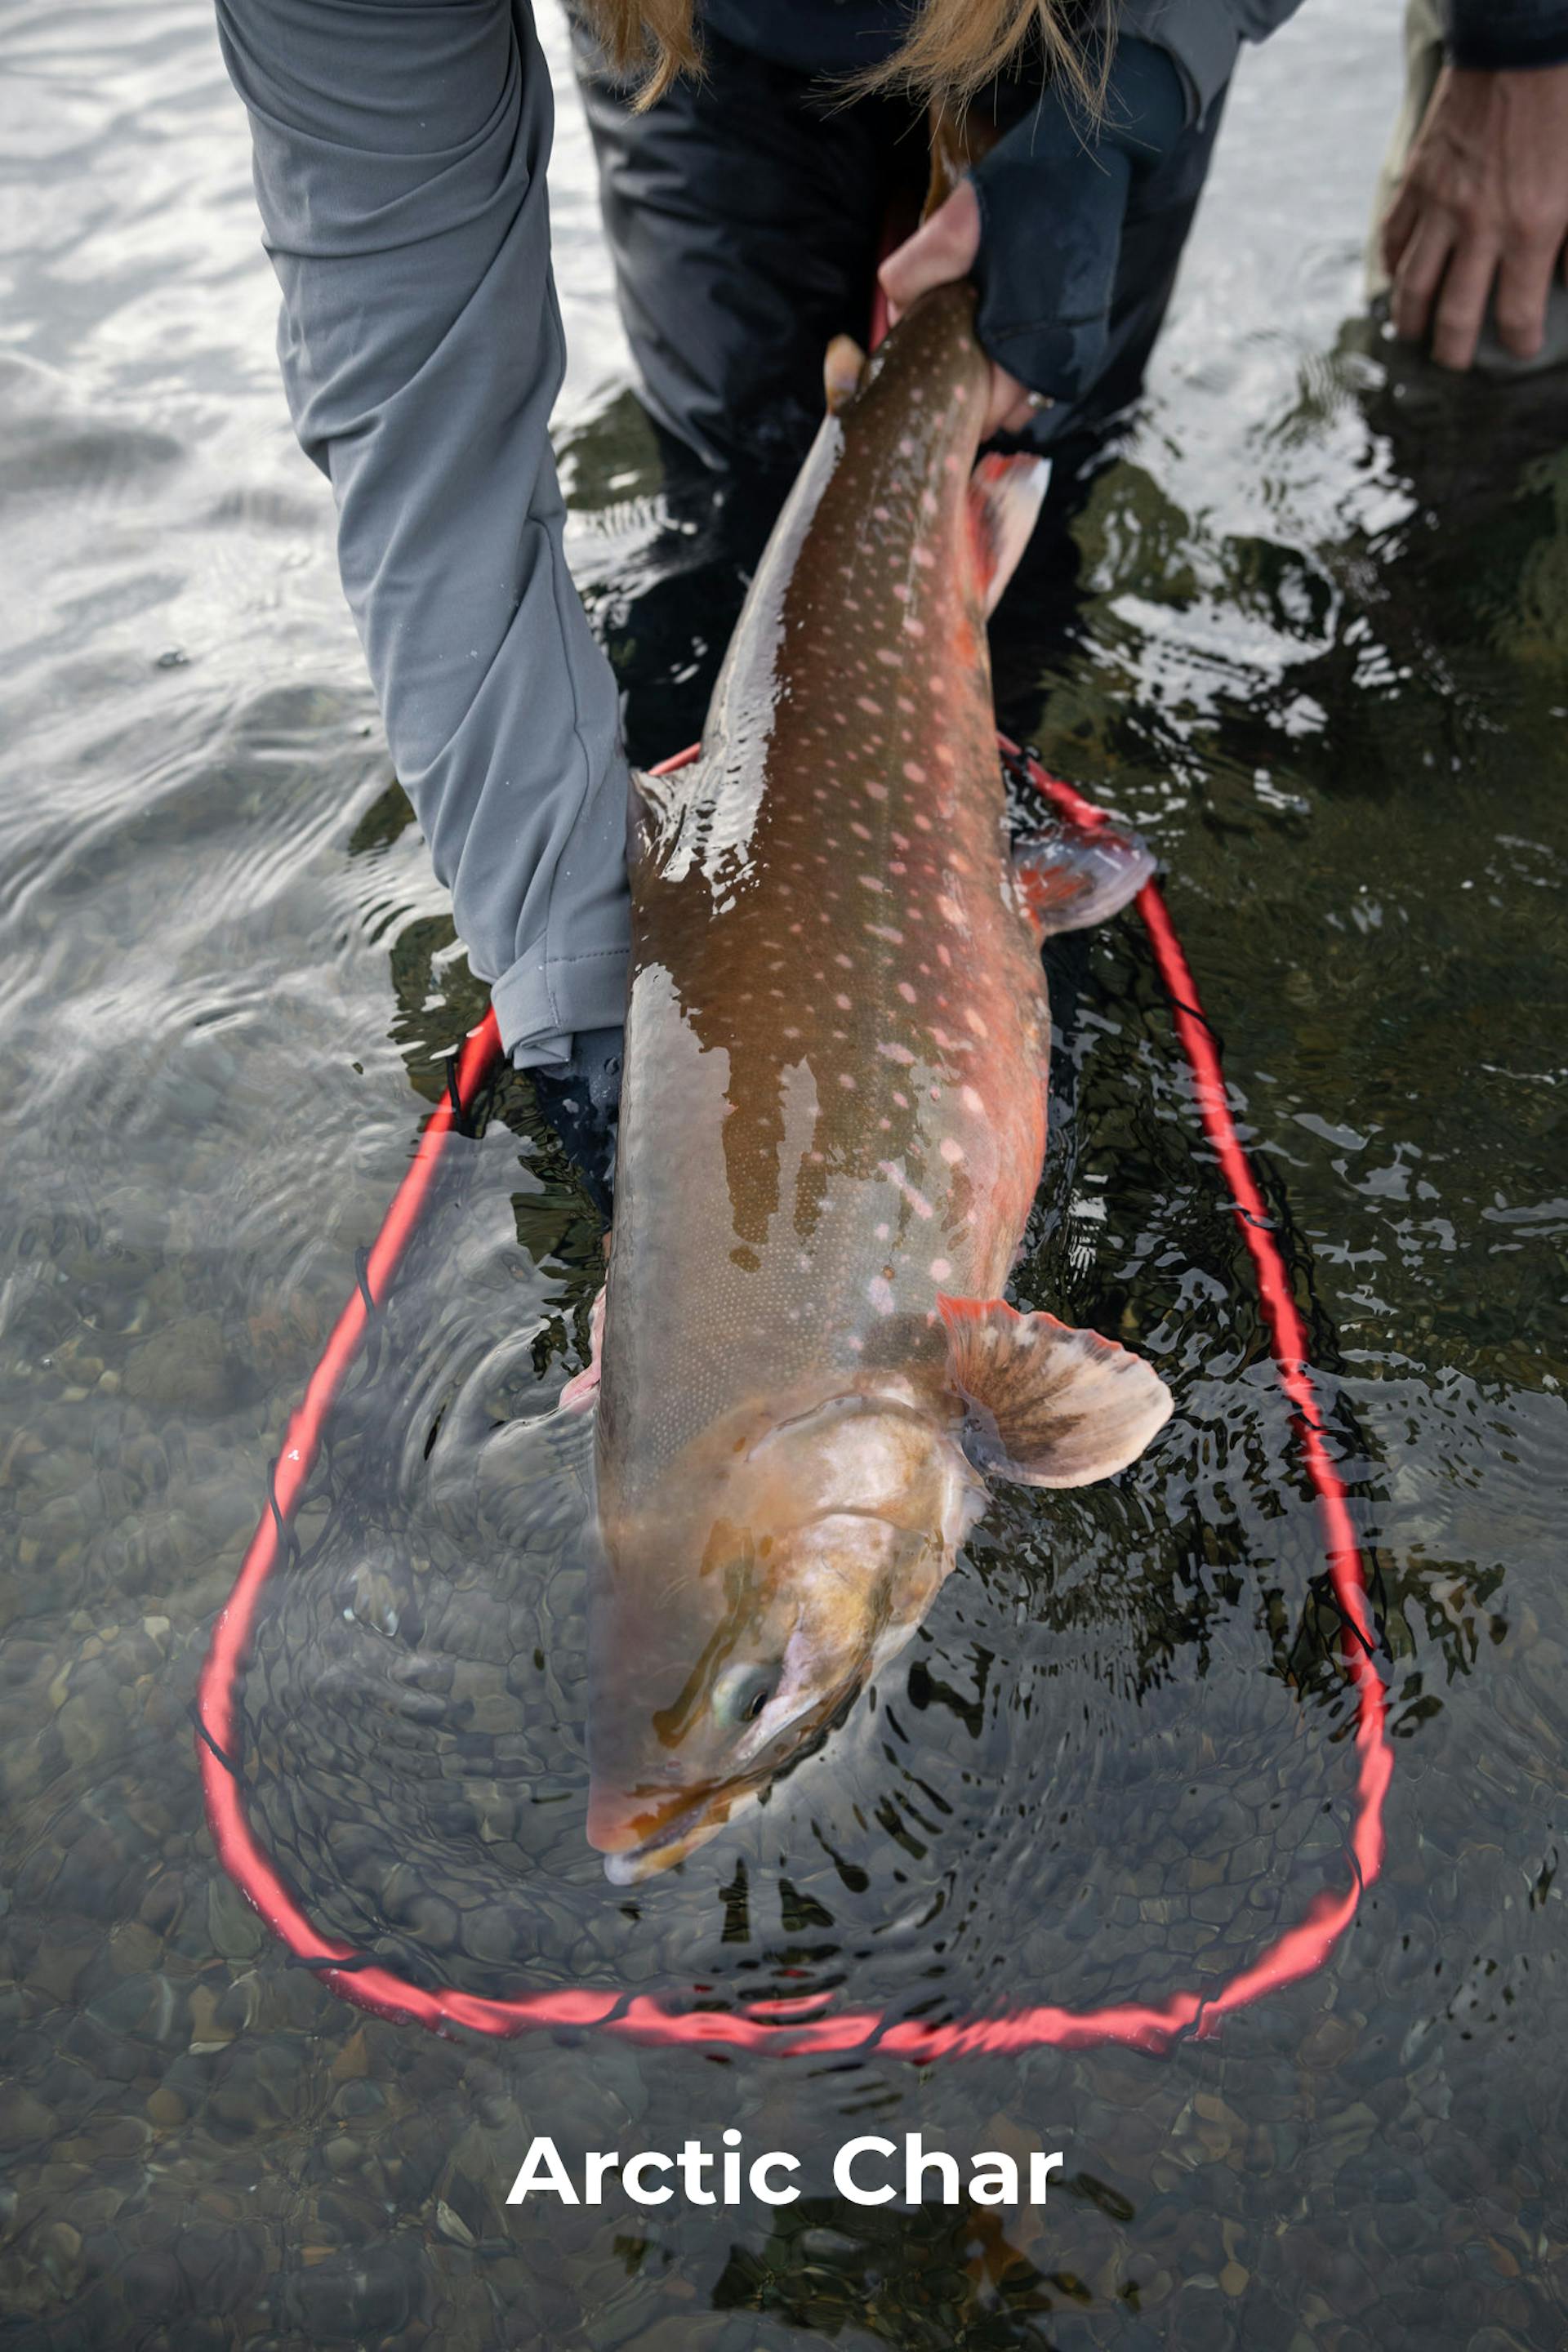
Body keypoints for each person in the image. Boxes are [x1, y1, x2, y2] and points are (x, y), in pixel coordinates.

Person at [215, 0, 1568, 1196]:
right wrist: (570, 978)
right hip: (699, 36)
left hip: (1083, 17)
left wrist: (1153, 88)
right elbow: (422, 429)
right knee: (743, 505)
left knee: (1045, 476)